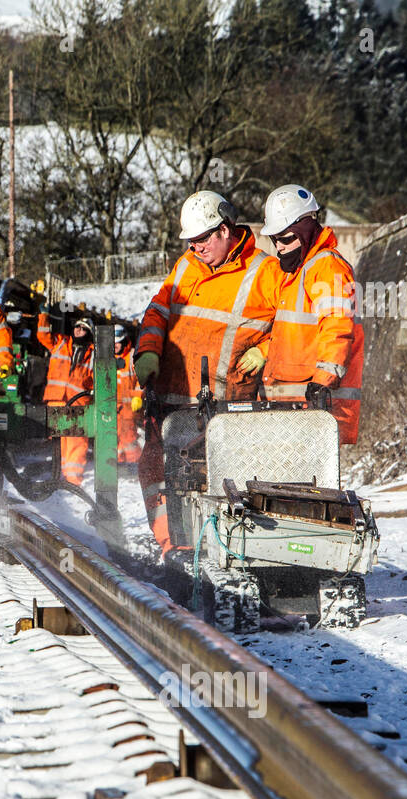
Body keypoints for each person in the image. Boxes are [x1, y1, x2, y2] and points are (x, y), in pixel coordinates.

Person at [133, 190, 281, 556]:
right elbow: (156, 314)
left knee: (218, 482)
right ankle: (174, 549)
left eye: (201, 239)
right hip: (170, 401)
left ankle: (225, 554)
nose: (195, 247)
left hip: (226, 409)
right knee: (156, 473)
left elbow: (292, 327)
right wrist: (148, 352)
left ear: (225, 230)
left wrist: (266, 350)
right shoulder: (186, 267)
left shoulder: (265, 272)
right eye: (191, 241)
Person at [256, 184, 363, 444]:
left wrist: (322, 383)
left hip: (313, 407)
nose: (279, 247)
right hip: (292, 408)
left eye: (285, 238)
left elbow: (337, 329)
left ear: (305, 229)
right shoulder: (297, 272)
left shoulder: (327, 267)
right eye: (275, 239)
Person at [37, 310, 95, 485]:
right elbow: (42, 335)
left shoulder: (93, 354)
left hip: (78, 402)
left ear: (89, 333)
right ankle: (59, 477)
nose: (78, 330)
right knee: (59, 442)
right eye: (77, 326)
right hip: (57, 399)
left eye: (83, 328)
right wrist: (44, 315)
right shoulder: (60, 343)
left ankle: (73, 479)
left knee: (76, 442)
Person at [113, 323, 142, 467]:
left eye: (117, 342)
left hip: (129, 407)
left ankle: (133, 465)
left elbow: (141, 379)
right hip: (113, 408)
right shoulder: (108, 359)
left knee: (129, 437)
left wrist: (137, 396)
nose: (115, 346)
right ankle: (118, 465)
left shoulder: (132, 357)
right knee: (113, 438)